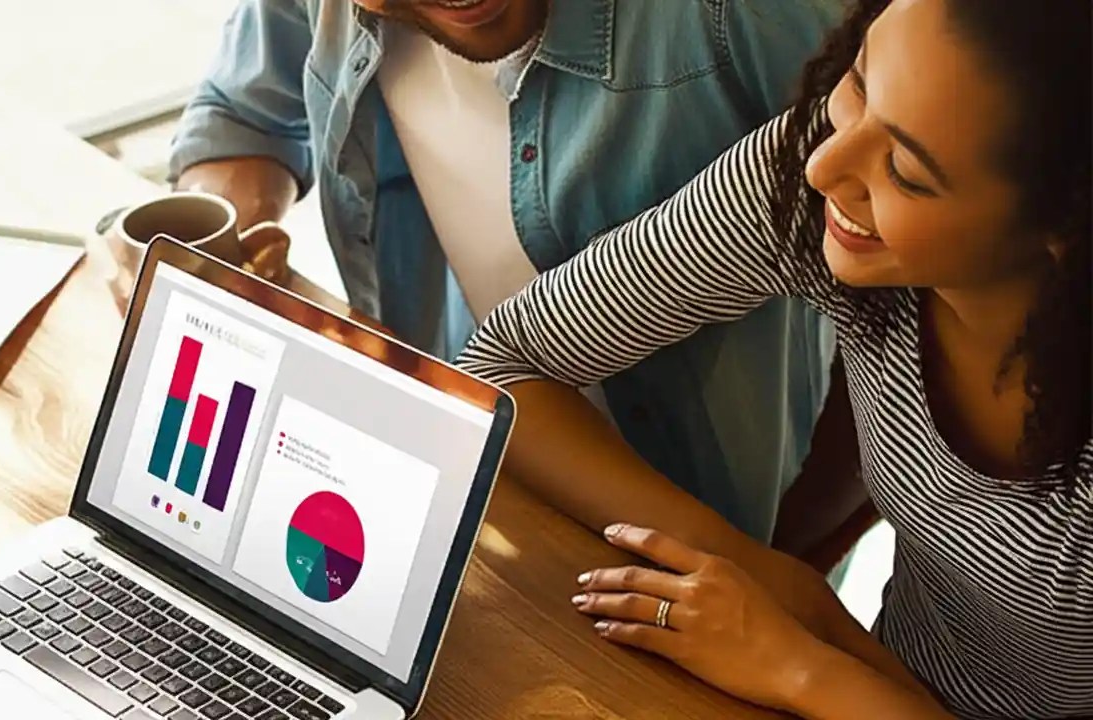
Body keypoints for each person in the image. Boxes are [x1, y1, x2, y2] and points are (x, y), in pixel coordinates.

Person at [456, 0, 1091, 717]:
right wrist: (755, 572)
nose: (827, 165)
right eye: (857, 82)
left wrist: (802, 667)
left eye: (908, 173)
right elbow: (504, 366)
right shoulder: (817, 165)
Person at [165, 0, 848, 546]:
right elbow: (242, 115)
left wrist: (783, 562)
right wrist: (224, 249)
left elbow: (920, 271)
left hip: (729, 518)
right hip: (478, 493)